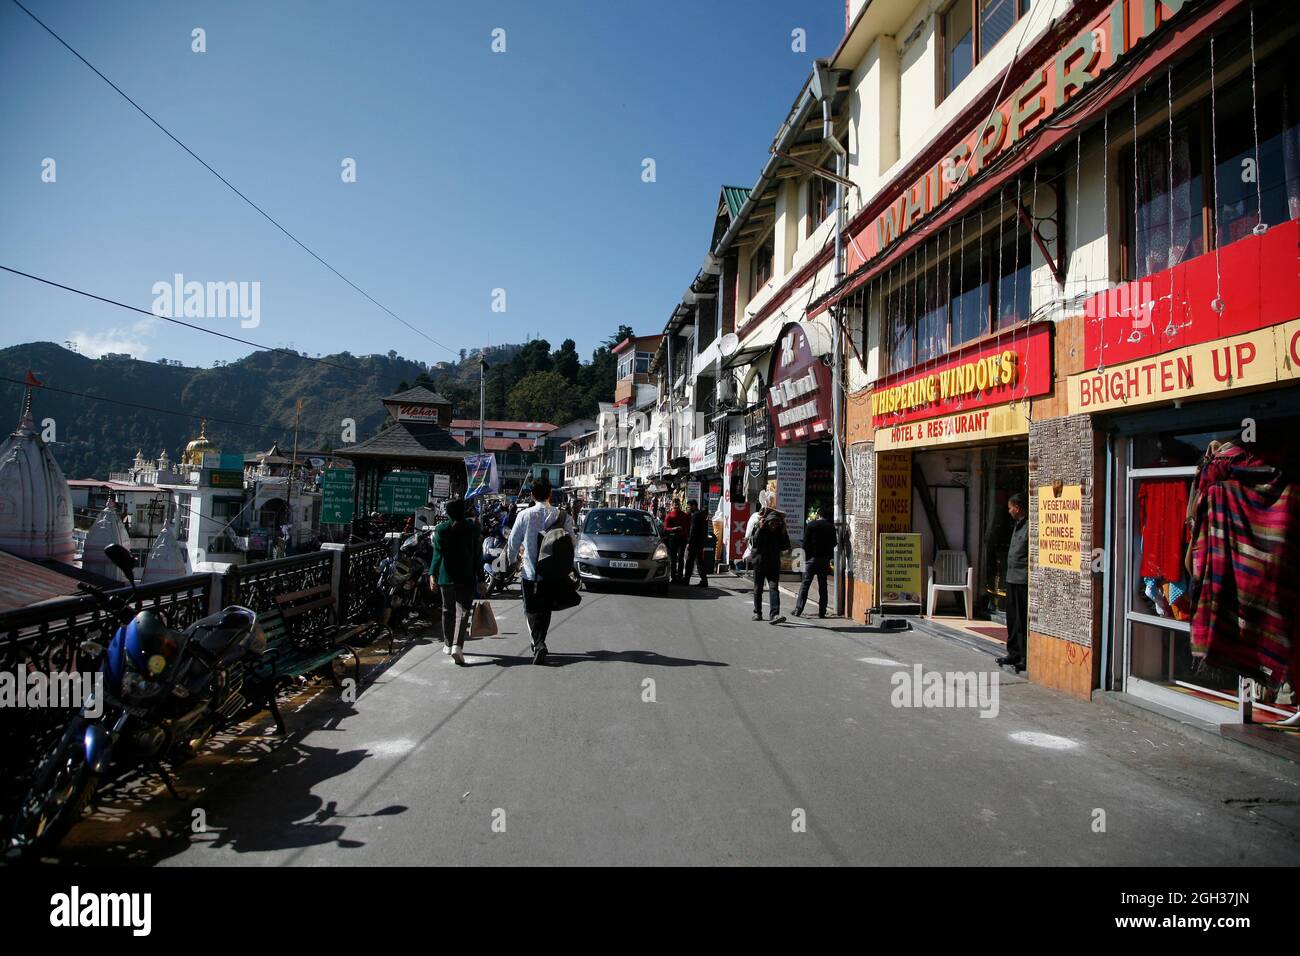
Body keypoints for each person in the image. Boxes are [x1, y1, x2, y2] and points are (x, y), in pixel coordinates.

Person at [507, 476, 575, 664]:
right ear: (550, 494)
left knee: (530, 609)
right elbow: (572, 543)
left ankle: (539, 644)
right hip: (553, 573)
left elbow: (513, 542)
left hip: (530, 571)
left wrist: (511, 562)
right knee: (545, 609)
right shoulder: (562, 516)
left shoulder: (524, 515)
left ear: (531, 495)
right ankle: (540, 641)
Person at [430, 498, 480, 666]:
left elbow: (437, 554)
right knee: (463, 611)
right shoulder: (472, 529)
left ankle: (447, 642)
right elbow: (477, 556)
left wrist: (432, 574)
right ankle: (457, 645)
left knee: (447, 610)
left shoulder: (441, 529)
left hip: (446, 576)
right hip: (466, 575)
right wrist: (481, 578)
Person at [1000, 492, 1029, 671]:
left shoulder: (1029, 526)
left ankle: (1023, 656)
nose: (1009, 511)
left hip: (1022, 579)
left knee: (1020, 619)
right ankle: (1013, 652)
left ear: (1017, 508)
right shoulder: (1017, 525)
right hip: (1011, 577)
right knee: (1011, 617)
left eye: (1010, 507)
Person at [794, 506, 836, 618]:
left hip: (811, 560)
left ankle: (798, 610)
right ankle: (822, 612)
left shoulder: (811, 525)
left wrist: (803, 558)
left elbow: (805, 544)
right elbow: (834, 543)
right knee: (823, 586)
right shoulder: (831, 527)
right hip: (824, 560)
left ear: (818, 514)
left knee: (805, 585)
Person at [751, 509, 790, 624]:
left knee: (774, 588)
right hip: (759, 563)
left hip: (773, 564)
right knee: (758, 589)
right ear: (767, 522)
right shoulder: (761, 529)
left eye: (776, 523)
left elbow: (785, 546)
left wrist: (784, 532)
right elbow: (755, 542)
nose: (774, 525)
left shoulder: (779, 532)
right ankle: (758, 612)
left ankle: (775, 615)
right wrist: (760, 528)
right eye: (772, 522)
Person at [683, 500, 711, 587]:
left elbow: (693, 530)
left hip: (694, 542)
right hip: (700, 542)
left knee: (690, 561)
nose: (688, 508)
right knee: (699, 562)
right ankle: (704, 580)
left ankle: (686, 580)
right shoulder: (700, 515)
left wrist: (689, 542)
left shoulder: (695, 515)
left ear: (694, 506)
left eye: (689, 506)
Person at [663, 499, 689, 583]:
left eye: (677, 503)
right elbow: (665, 528)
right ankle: (673, 577)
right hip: (673, 539)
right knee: (673, 559)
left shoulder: (685, 515)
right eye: (675, 504)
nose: (676, 505)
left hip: (683, 539)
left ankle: (680, 576)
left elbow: (688, 527)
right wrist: (674, 529)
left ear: (680, 504)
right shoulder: (669, 515)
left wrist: (687, 536)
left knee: (681, 558)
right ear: (672, 505)